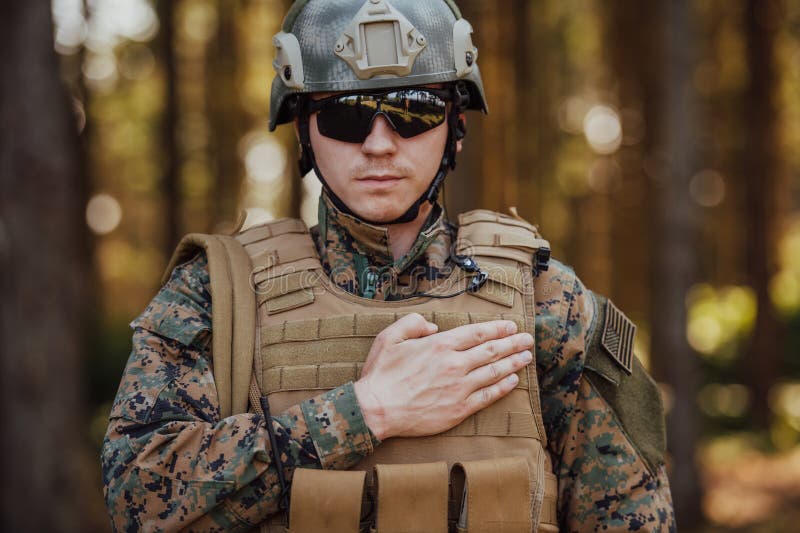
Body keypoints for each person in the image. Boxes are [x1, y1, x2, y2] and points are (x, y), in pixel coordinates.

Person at [102, 1, 676, 531]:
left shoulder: (547, 298)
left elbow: (633, 515)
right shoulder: (218, 293)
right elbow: (137, 498)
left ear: (456, 126)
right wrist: (365, 411)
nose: (378, 144)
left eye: (412, 111)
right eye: (346, 116)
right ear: (304, 127)